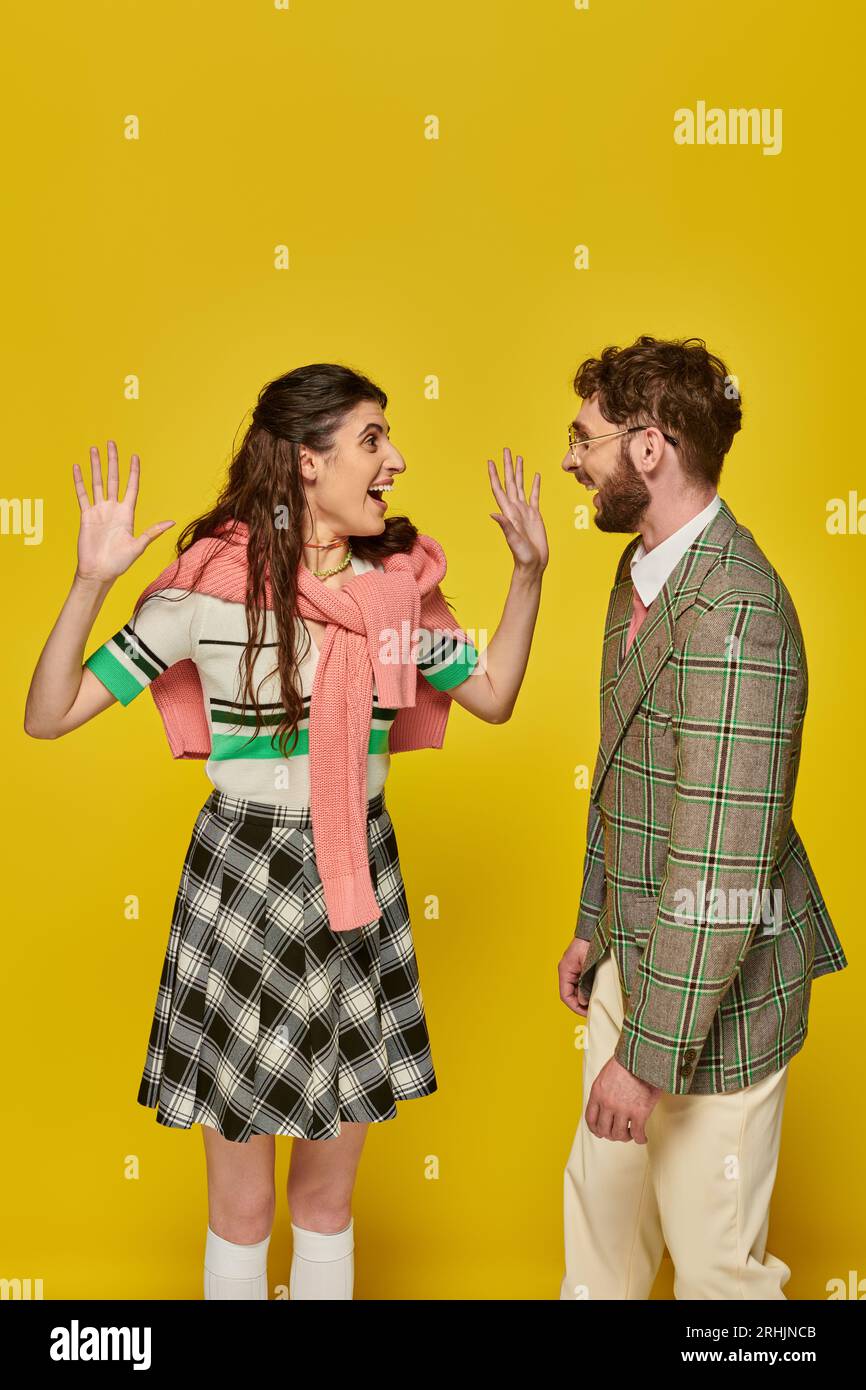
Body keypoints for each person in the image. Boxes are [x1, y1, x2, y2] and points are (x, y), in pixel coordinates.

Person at [24, 362, 548, 1300]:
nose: (396, 460)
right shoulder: (212, 592)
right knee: (241, 1208)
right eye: (373, 439)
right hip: (244, 878)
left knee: (326, 1202)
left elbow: (496, 696)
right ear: (309, 461)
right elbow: (49, 711)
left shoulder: (396, 599)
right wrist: (89, 581)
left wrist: (528, 573)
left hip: (358, 872)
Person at [556, 335, 847, 1300]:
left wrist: (641, 1064)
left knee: (717, 1265)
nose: (571, 460)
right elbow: (630, 770)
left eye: (585, 438)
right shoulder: (645, 572)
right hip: (633, 958)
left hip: (715, 994)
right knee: (601, 1237)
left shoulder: (737, 614)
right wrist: (595, 919)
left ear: (650, 448)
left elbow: (723, 863)